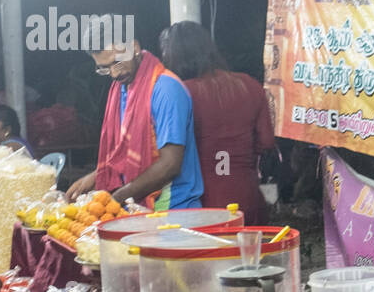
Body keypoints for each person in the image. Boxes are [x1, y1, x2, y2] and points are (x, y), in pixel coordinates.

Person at [159, 21, 276, 223]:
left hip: (201, 205)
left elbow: (164, 154)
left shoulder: (180, 93)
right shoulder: (250, 85)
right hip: (247, 198)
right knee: (249, 255)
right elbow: (266, 141)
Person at [67, 36, 204, 209]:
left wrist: (115, 199)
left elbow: (170, 165)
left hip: (173, 210)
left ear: (134, 47)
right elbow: (127, 152)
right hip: (138, 209)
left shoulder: (165, 89)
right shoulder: (123, 89)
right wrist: (97, 176)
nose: (114, 74)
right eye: (105, 68)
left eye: (117, 62)